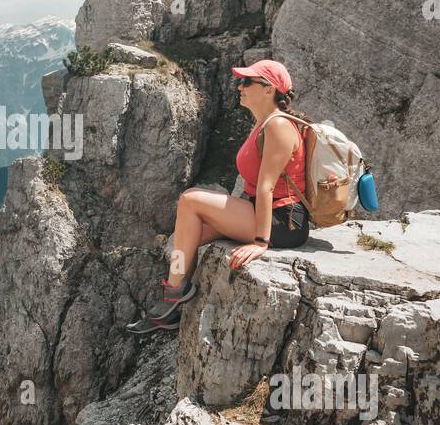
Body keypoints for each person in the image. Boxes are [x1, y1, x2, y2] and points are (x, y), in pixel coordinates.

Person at [126, 59, 310, 334]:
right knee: (188, 240)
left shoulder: (279, 126)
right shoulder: (263, 123)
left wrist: (261, 242)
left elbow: (266, 187)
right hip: (264, 212)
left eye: (247, 82)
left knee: (190, 199)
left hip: (284, 222)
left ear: (269, 89)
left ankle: (173, 295)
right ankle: (173, 305)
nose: (240, 86)